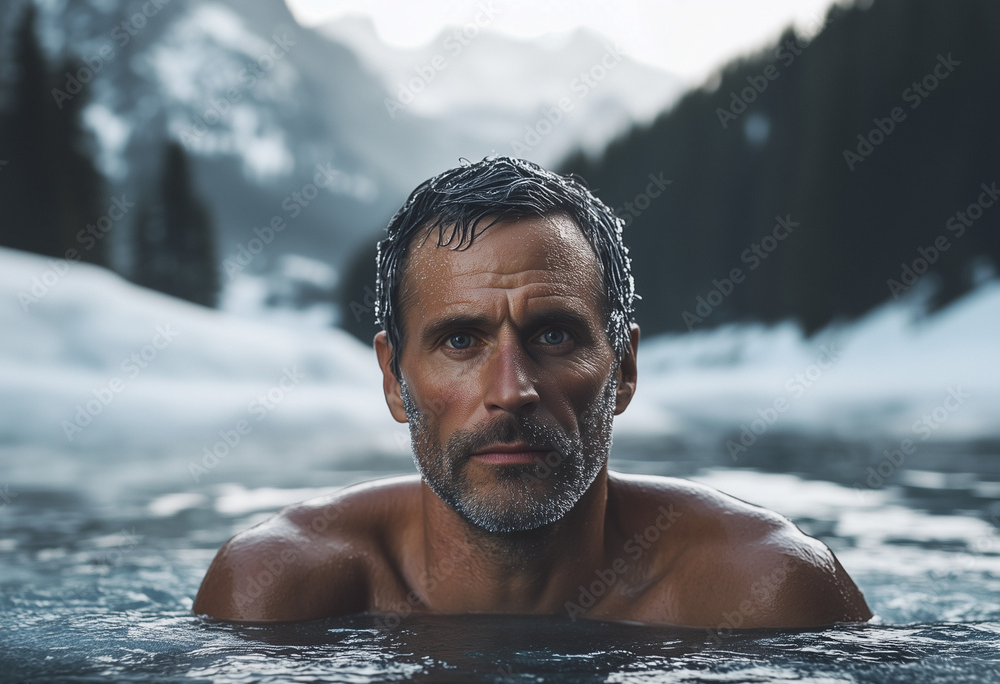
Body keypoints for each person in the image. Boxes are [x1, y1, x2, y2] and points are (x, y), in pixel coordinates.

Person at [194, 157, 870, 627]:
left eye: (552, 336)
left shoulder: (766, 592)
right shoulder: (277, 590)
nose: (511, 391)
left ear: (625, 368)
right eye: (461, 340)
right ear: (393, 381)